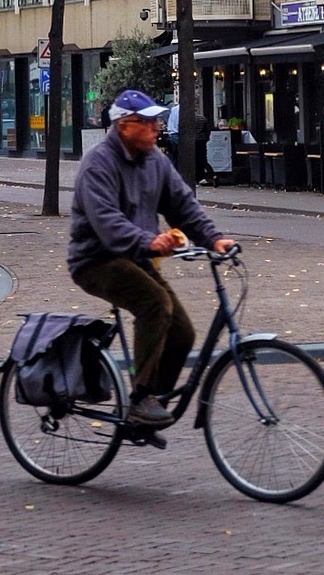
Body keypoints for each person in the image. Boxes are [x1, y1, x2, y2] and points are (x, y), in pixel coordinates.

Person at [68, 88, 237, 430]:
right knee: (155, 304)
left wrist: (214, 239)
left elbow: (183, 206)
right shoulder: (98, 163)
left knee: (183, 333)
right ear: (125, 126)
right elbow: (108, 224)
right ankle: (141, 397)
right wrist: (150, 241)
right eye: (148, 122)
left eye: (157, 121)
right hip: (96, 259)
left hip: (136, 256)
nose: (157, 128)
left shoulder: (155, 160)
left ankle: (152, 402)